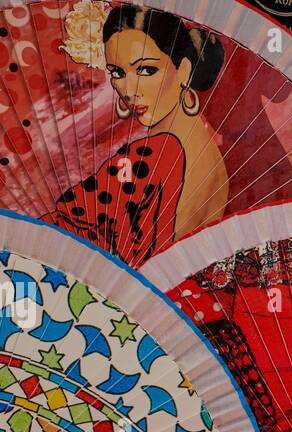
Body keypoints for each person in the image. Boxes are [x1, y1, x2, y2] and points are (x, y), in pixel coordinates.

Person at [49, 3, 229, 264]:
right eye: (118, 73)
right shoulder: (210, 153)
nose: (128, 89)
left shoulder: (156, 155)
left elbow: (56, 237)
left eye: (146, 70)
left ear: (184, 70)